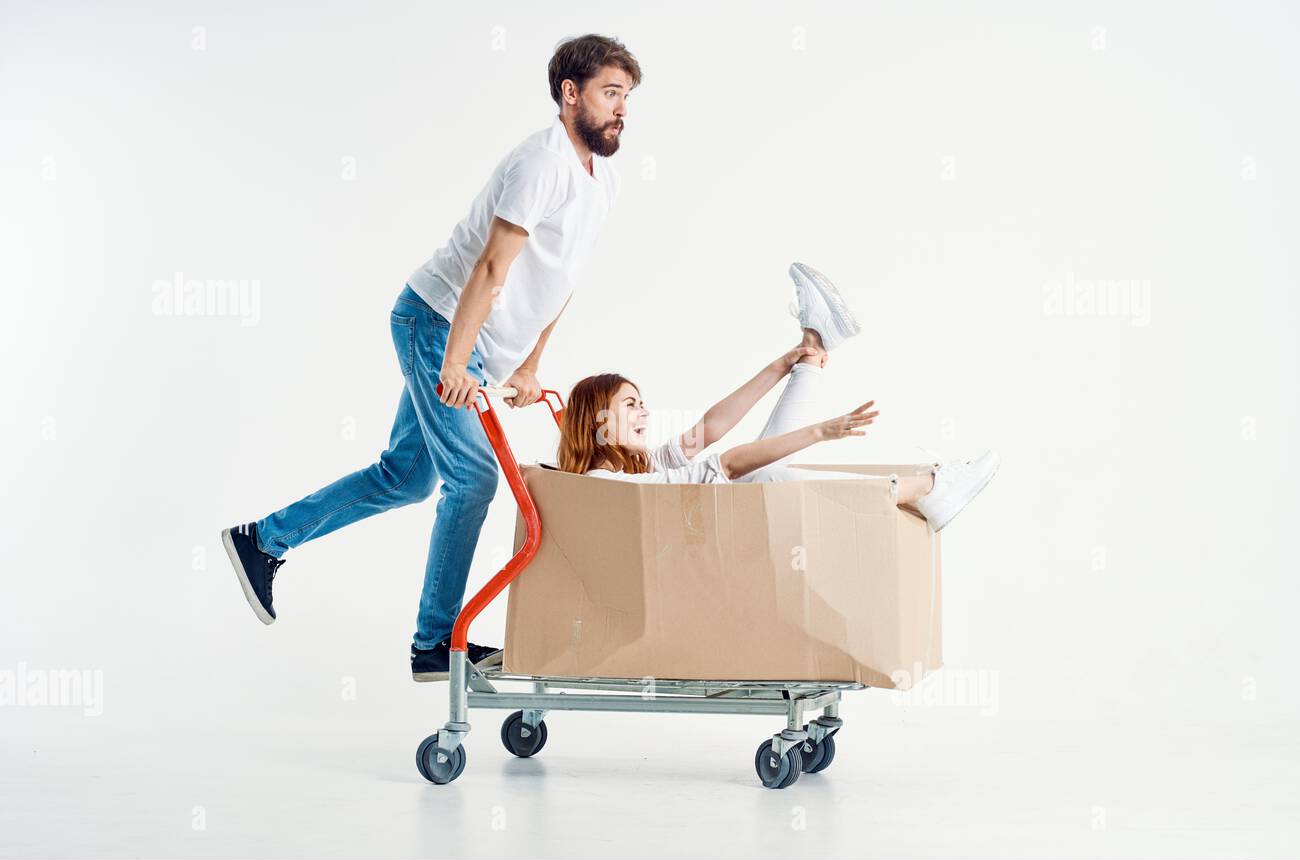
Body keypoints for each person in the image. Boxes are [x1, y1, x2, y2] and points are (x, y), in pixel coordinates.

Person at [222, 35, 642, 682]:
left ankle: (262, 541)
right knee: (472, 481)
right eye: (611, 93)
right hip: (437, 322)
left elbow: (563, 278)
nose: (621, 109)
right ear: (570, 94)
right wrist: (455, 362)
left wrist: (530, 364)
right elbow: (492, 265)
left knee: (405, 477)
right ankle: (435, 643)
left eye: (626, 98)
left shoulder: (601, 178)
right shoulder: (542, 164)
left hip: (472, 345)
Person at [556, 263, 1000, 531]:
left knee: (767, 478)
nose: (645, 412)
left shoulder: (643, 467)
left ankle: (814, 346)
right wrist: (819, 432)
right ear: (595, 422)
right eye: (630, 404)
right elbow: (726, 465)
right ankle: (926, 487)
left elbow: (706, 433)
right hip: (703, 549)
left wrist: (780, 365)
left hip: (715, 533)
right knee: (769, 483)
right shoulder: (602, 487)